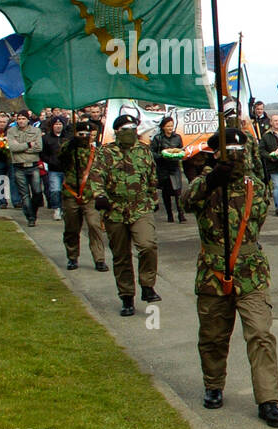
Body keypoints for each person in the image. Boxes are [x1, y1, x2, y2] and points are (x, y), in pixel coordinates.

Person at [183, 128, 278, 428]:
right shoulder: (204, 185)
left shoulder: (255, 186)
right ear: (216, 155)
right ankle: (213, 385)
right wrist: (213, 180)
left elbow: (257, 221)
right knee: (213, 336)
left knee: (261, 335)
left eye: (240, 152)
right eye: (229, 152)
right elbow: (186, 201)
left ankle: (268, 400)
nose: (236, 157)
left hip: (251, 273)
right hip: (213, 273)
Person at [92, 113, 160, 316]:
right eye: (125, 130)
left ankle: (147, 285)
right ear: (117, 132)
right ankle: (127, 297)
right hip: (115, 211)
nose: (130, 133)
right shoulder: (106, 152)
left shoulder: (144, 151)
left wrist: (153, 198)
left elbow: (152, 177)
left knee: (147, 245)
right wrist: (99, 195)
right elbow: (96, 176)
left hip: (140, 208)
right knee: (121, 256)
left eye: (133, 129)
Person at [59, 119, 108, 272]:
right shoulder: (69, 148)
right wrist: (71, 145)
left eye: (88, 134)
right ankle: (72, 257)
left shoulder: (97, 151)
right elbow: (60, 158)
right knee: (72, 228)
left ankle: (99, 259)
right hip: (71, 193)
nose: (85, 137)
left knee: (95, 226)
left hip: (91, 194)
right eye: (81, 134)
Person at [6, 110, 44, 227]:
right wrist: (28, 145)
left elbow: (38, 147)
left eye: (23, 119)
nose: (21, 121)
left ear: (28, 120)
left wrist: (21, 148)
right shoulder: (12, 131)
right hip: (19, 166)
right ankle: (31, 217)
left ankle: (33, 210)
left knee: (37, 192)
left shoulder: (36, 131)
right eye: (19, 119)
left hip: (33, 165)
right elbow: (13, 147)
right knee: (25, 194)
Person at [150, 116, 187, 223]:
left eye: (171, 125)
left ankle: (181, 214)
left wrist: (178, 154)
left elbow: (181, 149)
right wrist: (161, 156)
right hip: (163, 168)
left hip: (174, 167)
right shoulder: (158, 138)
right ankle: (169, 214)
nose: (170, 128)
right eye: (168, 126)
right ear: (163, 127)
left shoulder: (177, 137)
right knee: (166, 193)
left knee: (177, 192)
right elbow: (152, 153)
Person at [41, 116, 69, 220]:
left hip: (66, 169)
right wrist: (50, 161)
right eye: (56, 124)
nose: (58, 126)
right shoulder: (46, 138)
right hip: (54, 169)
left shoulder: (67, 138)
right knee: (55, 190)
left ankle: (64, 209)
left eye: (60, 124)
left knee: (65, 191)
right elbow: (43, 154)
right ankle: (56, 208)